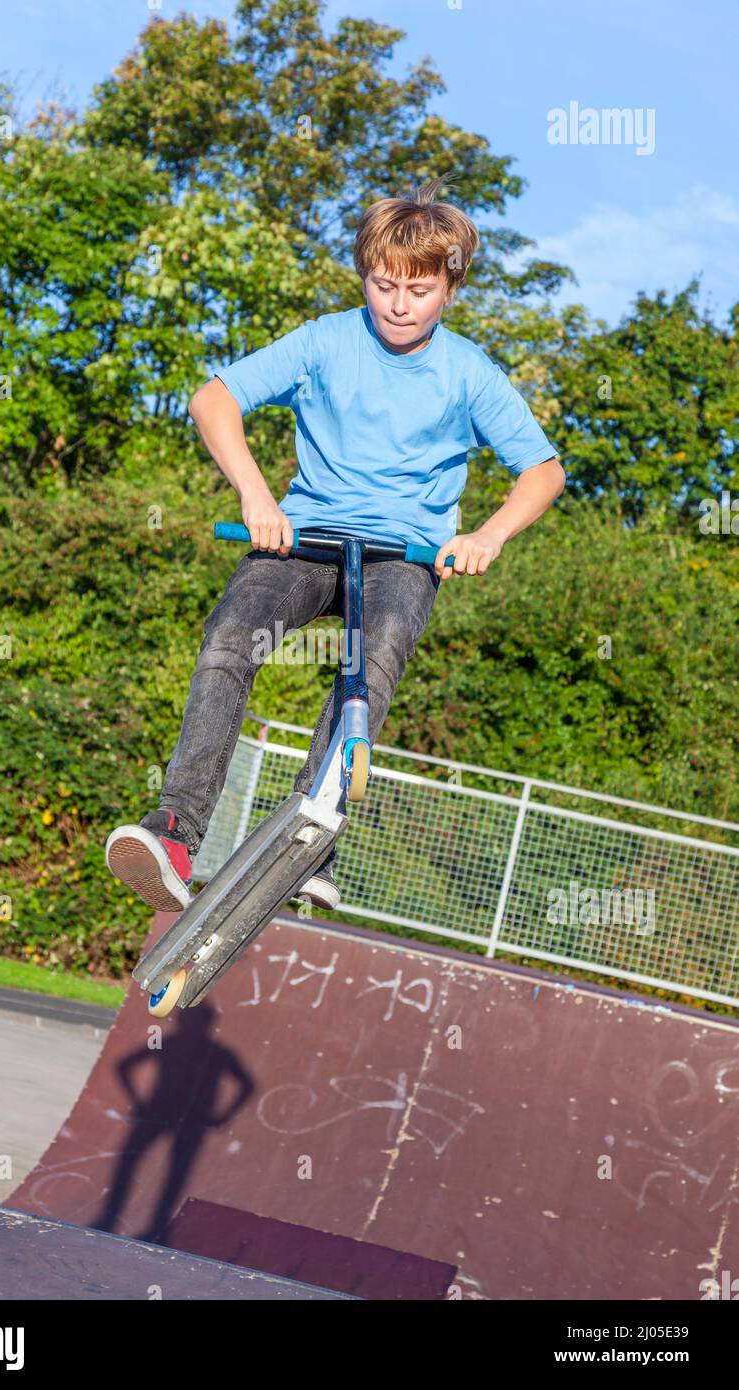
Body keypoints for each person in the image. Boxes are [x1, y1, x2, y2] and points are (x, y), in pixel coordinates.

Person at [106, 172, 565, 914]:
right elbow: (213, 399)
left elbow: (543, 472)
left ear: (449, 289)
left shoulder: (469, 373)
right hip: (307, 534)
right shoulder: (325, 340)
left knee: (370, 661)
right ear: (366, 276)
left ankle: (311, 841)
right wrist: (257, 495)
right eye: (383, 285)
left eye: (417, 291)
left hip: (404, 554)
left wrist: (488, 534)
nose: (398, 304)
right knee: (231, 638)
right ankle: (176, 830)